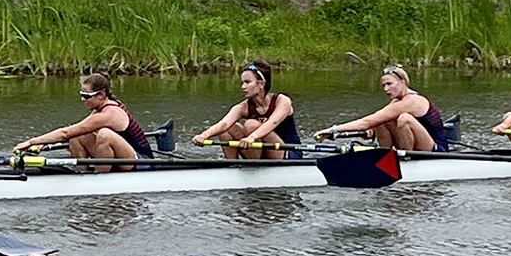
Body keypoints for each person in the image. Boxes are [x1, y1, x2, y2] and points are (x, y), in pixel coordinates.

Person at [12, 73, 152, 172]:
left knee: (105, 134)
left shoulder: (110, 113)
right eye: (82, 95)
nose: (83, 100)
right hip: (121, 158)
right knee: (78, 135)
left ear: (101, 95)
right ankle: (80, 171)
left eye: (86, 96)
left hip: (140, 161)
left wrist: (32, 142)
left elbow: (64, 133)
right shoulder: (100, 108)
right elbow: (72, 131)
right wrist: (44, 142)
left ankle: (99, 178)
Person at [314, 65, 448, 152]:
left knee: (404, 118)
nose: (386, 89)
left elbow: (366, 123)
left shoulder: (412, 101)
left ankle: (406, 158)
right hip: (418, 145)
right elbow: (374, 120)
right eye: (384, 85)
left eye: (389, 84)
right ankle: (385, 154)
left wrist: (335, 128)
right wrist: (339, 134)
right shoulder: (397, 101)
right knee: (382, 120)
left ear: (402, 83)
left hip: (437, 149)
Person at [191, 60, 303, 159]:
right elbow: (224, 123)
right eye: (243, 82)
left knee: (251, 125)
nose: (243, 87)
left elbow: (272, 122)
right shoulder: (243, 107)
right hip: (260, 151)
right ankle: (232, 166)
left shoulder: (282, 101)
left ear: (261, 84)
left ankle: (254, 166)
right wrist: (204, 135)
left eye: (247, 82)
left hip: (288, 152)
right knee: (227, 129)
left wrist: (252, 137)